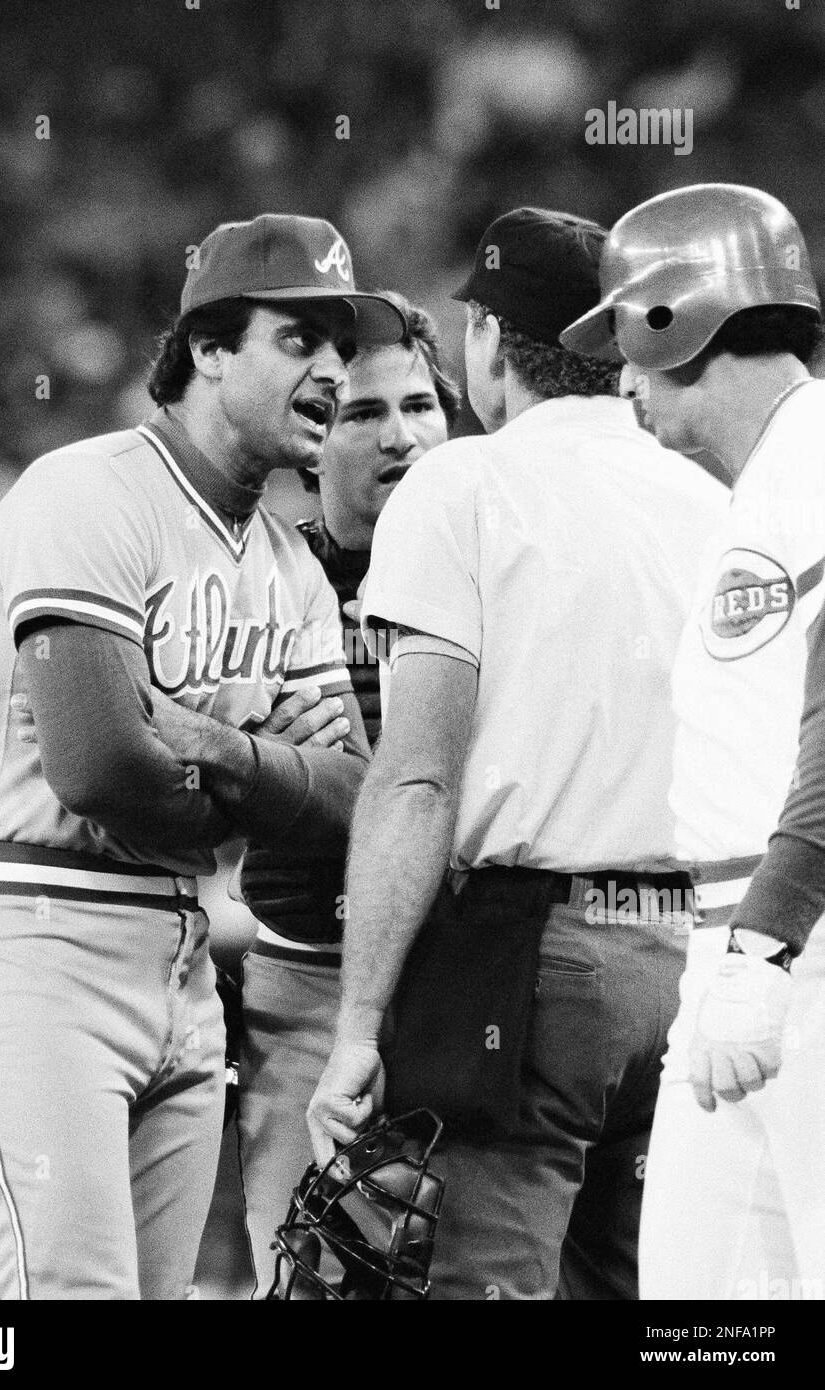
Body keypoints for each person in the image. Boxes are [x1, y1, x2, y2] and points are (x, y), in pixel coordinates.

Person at [0, 213, 405, 1299]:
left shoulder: (290, 562)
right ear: (209, 349)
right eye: (298, 339)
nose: (331, 370)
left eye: (340, 345)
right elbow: (96, 767)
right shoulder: (87, 491)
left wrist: (210, 749)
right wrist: (257, 782)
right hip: (37, 930)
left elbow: (354, 800)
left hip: (180, 951)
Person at [306, 207, 727, 1300]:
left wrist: (356, 1028)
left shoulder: (464, 484)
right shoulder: (706, 495)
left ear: (488, 341)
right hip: (691, 954)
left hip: (532, 960)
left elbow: (415, 776)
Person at [561, 182, 825, 1301]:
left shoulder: (814, 458)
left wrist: (763, 950)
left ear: (674, 320)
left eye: (622, 338)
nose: (619, 378)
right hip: (738, 954)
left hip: (791, 942)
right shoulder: (762, 485)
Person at [235, 295, 460, 1294]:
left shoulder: (493, 564)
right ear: (312, 441)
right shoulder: (253, 578)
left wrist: (325, 775)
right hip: (306, 985)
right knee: (311, 1284)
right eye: (366, 413)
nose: (402, 434)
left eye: (420, 405)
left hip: (466, 985)